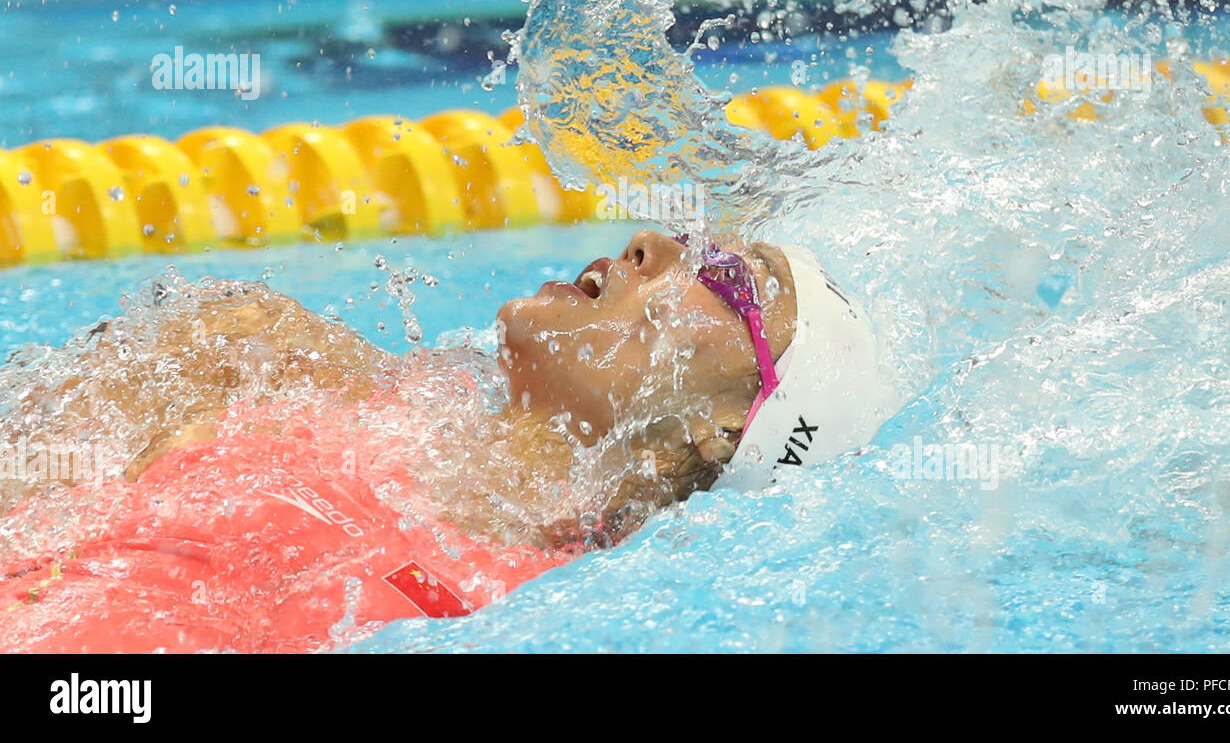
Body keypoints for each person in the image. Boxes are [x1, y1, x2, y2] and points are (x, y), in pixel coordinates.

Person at [0, 229, 897, 652]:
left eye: (725, 276)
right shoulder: (264, 348)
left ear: (725, 429)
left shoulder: (495, 616)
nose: (654, 241)